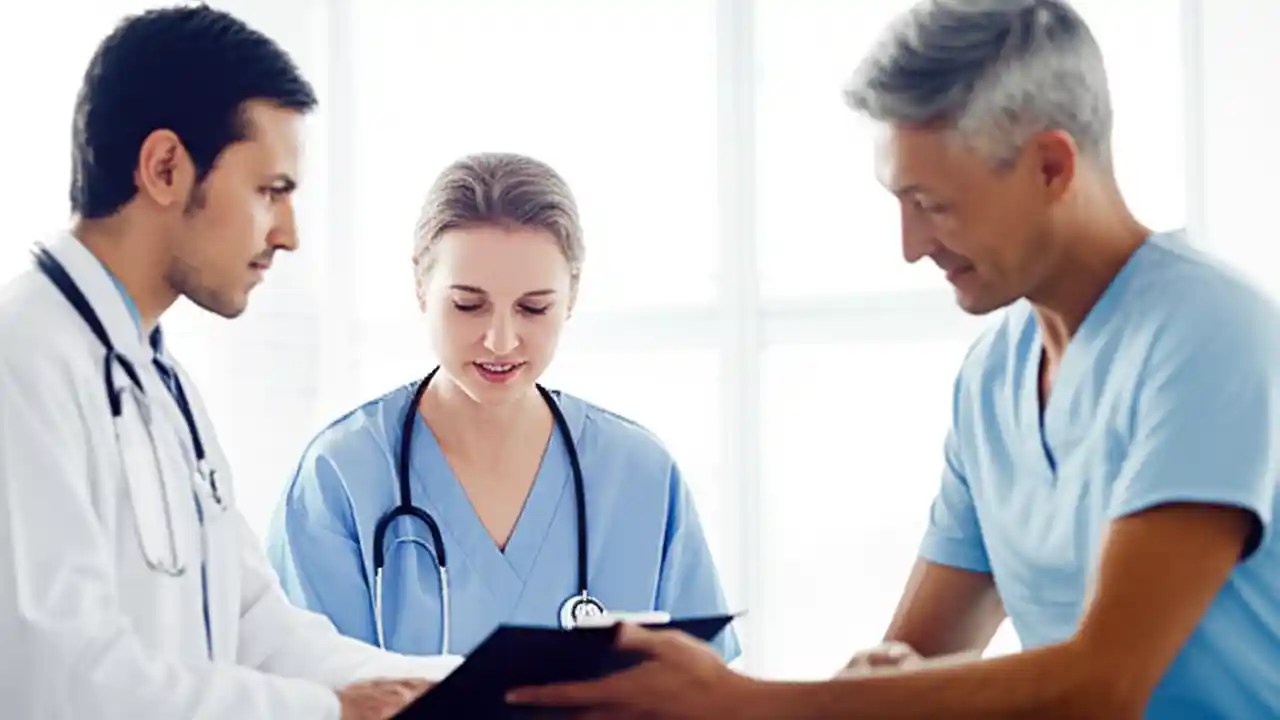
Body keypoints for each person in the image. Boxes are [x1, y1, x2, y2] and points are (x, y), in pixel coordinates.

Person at [506, 1, 1280, 717]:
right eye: (900, 203)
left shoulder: (1209, 332)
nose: (912, 247)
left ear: (1051, 166)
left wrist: (742, 703)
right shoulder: (994, 377)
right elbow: (922, 660)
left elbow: (1102, 684)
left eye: (934, 205)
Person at [0, 6, 461, 719]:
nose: (289, 233)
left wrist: (476, 686)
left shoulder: (159, 383)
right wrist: (331, 712)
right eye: (269, 190)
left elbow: (257, 629)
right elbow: (60, 681)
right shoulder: (23, 362)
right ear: (164, 168)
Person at [265, 152, 740, 662]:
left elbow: (708, 694)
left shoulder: (640, 475)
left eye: (534, 308)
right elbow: (307, 694)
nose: (500, 340)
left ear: (572, 296)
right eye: (468, 304)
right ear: (421, 286)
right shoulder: (340, 475)